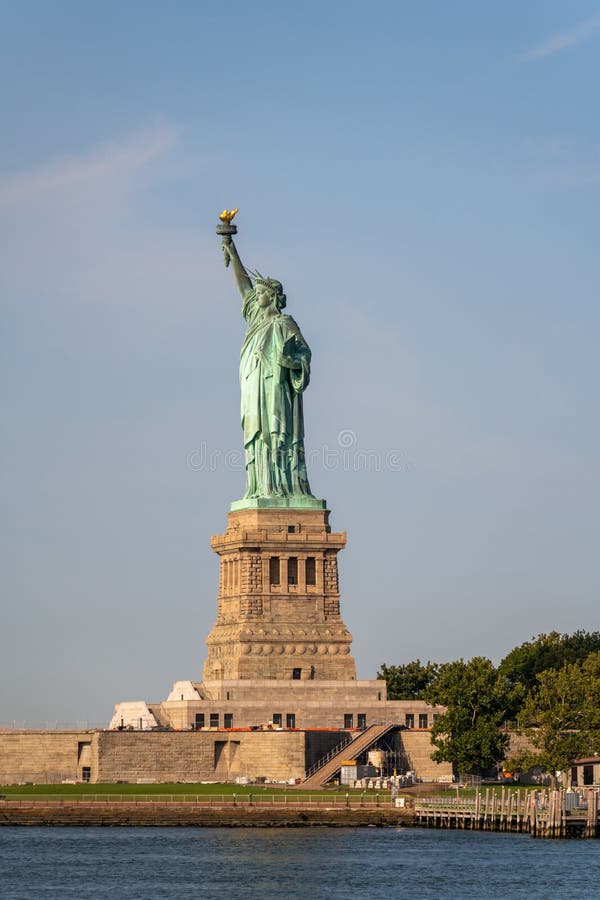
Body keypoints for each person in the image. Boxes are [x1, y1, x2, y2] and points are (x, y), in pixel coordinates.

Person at [221, 235, 314, 500]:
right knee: (256, 434)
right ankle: (260, 486)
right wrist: (231, 248)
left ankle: (282, 486)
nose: (256, 295)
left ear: (272, 297)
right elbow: (243, 286)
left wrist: (292, 363)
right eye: (258, 292)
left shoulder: (285, 324)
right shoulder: (255, 319)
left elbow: (304, 355)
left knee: (276, 433)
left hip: (276, 387)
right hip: (253, 384)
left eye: (262, 293)